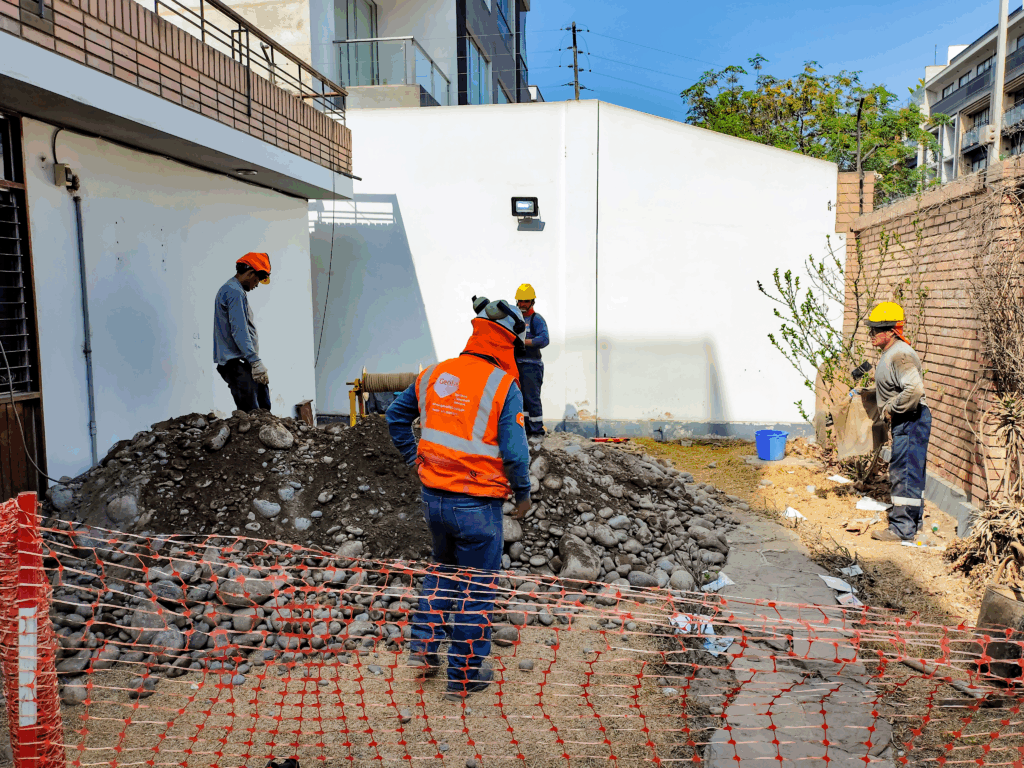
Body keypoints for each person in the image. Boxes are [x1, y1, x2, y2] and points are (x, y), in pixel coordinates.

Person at [386, 297, 532, 701]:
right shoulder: (504, 385)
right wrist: (523, 492)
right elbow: (516, 453)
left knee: (442, 572)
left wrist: (415, 456)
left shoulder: (434, 373)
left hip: (434, 499)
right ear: (507, 341)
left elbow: (395, 416)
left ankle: (423, 651)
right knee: (477, 590)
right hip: (477, 506)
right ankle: (462, 679)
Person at [866, 301, 932, 543]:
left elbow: (913, 389)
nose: (871, 334)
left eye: (876, 329)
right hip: (910, 420)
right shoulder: (893, 353)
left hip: (910, 419)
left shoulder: (901, 354)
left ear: (891, 331)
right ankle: (914, 523)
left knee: (903, 472)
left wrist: (891, 409)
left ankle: (901, 529)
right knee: (911, 472)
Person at [213, 253, 272, 412]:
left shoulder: (235, 290)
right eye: (258, 279)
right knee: (251, 412)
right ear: (251, 273)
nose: (257, 284)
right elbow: (239, 330)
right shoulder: (233, 291)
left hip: (243, 361)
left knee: (264, 406)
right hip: (236, 363)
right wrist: (255, 361)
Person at [514, 283, 549, 437]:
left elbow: (544, 339)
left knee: (531, 399)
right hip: (516, 365)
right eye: (520, 301)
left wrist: (524, 342)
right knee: (520, 400)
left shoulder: (536, 319)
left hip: (531, 366)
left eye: (526, 301)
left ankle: (537, 432)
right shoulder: (514, 319)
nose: (522, 304)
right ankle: (526, 430)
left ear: (532, 302)